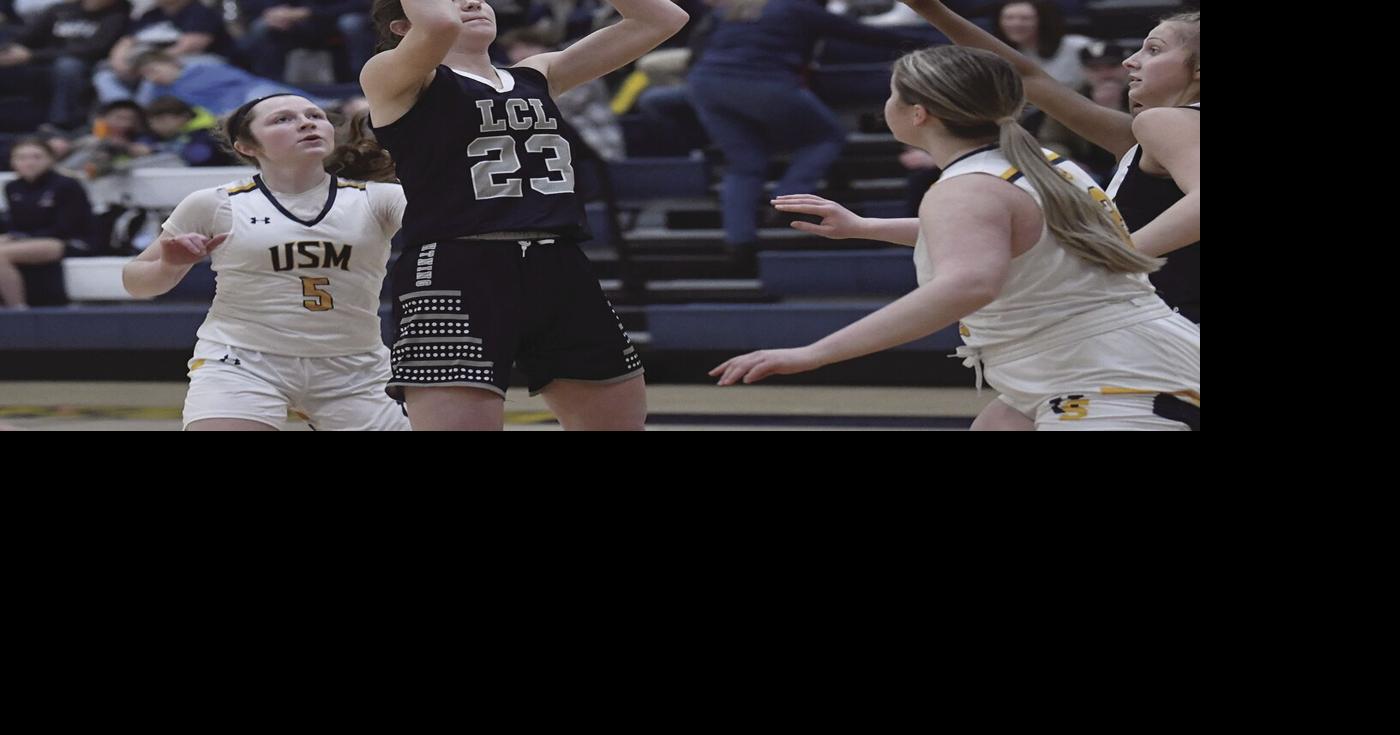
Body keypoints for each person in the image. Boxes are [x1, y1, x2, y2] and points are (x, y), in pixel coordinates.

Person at [714, 46, 1199, 431]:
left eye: (892, 94)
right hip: (1120, 355)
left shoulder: (965, 189)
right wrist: (866, 227)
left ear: (918, 113)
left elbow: (968, 283)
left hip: (1112, 378)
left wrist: (811, 353)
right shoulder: (1041, 163)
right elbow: (1007, 236)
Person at [360, 0, 689, 430]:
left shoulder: (538, 73)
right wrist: (438, 16)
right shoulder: (389, 74)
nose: (474, 2)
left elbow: (664, 18)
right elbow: (439, 24)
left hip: (559, 262)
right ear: (404, 26)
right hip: (457, 266)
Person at [121, 94, 411, 431]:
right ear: (246, 146)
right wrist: (169, 266)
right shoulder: (215, 204)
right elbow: (136, 283)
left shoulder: (377, 198)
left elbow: (455, 219)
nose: (306, 122)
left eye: (315, 116)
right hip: (243, 360)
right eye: (283, 119)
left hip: (356, 367)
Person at [900, 0, 1199, 323]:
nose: (1130, 61)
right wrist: (930, 8)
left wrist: (1111, 259)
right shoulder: (1143, 135)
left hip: (1177, 322)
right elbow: (1028, 77)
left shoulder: (1162, 122)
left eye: (1154, 50)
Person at [1, 137, 95, 307]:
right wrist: (10, 236)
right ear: (13, 162)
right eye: (21, 158)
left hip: (68, 241)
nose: (29, 163)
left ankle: (17, 308)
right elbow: (15, 223)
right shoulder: (12, 187)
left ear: (51, 159)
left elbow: (67, 227)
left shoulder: (67, 185)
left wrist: (20, 237)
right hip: (29, 240)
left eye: (37, 157)